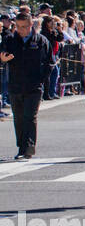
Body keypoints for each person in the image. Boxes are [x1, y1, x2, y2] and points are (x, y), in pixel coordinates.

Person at [0, 12, 53, 159]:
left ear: (31, 25)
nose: (20, 29)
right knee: (18, 118)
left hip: (34, 86)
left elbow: (50, 62)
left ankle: (28, 147)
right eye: (17, 26)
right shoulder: (9, 39)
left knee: (30, 117)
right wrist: (3, 59)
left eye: (23, 27)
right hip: (15, 85)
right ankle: (21, 147)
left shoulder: (41, 41)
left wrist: (41, 79)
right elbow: (2, 54)